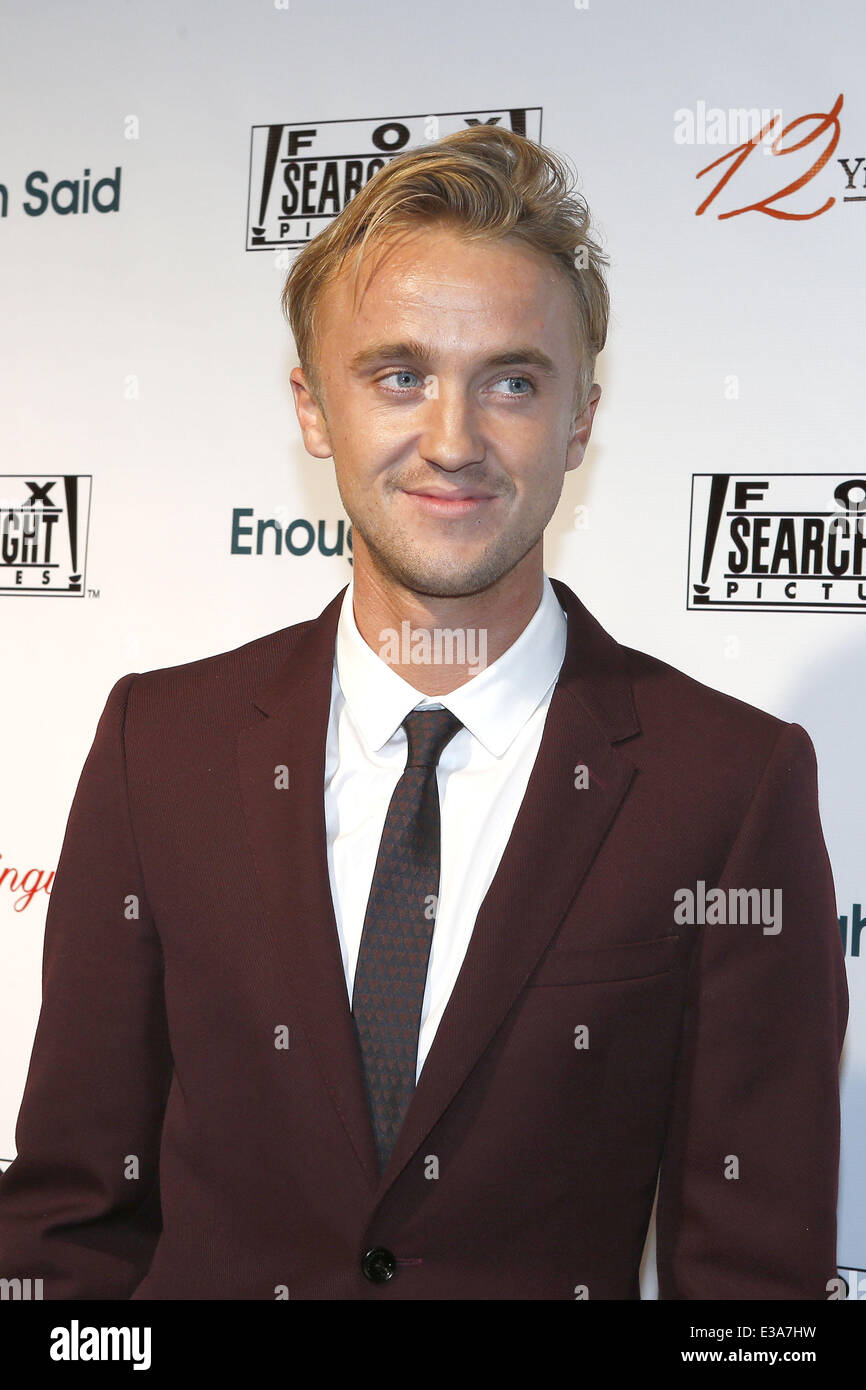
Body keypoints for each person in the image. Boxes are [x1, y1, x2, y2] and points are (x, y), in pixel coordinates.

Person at [0, 126, 847, 1300]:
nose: (451, 440)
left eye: (510, 380)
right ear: (311, 409)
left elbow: (752, 1288)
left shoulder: (725, 785)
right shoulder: (161, 748)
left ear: (580, 422)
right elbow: (69, 1224)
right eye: (398, 374)